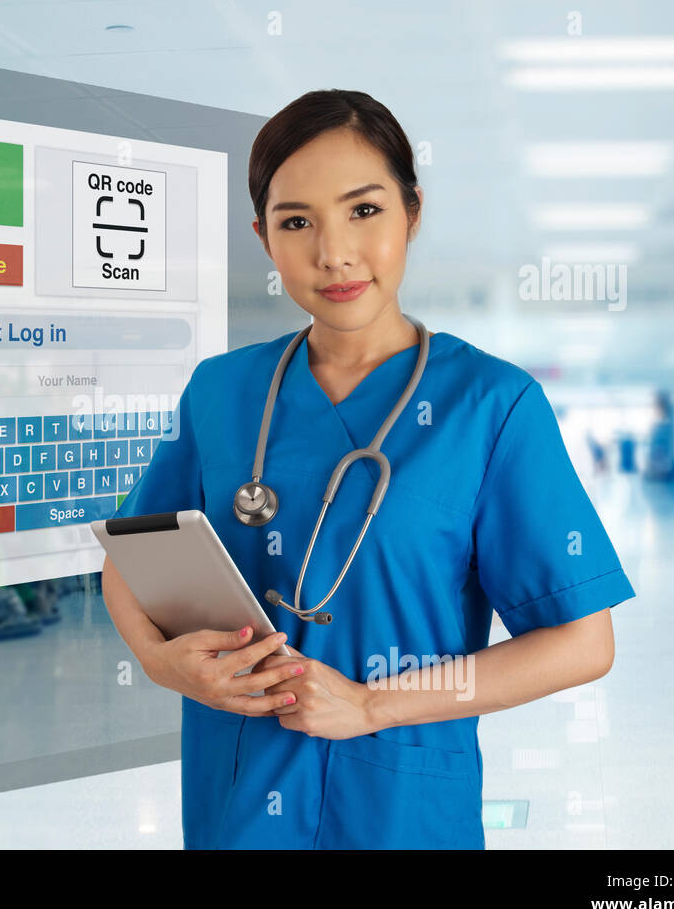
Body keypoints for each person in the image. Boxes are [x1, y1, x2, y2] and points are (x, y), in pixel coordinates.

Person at [100, 89, 636, 850]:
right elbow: (131, 560)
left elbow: (583, 642)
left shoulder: (491, 405)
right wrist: (163, 664)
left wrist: (371, 706)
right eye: (296, 223)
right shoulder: (220, 393)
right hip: (238, 799)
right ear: (264, 238)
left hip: (399, 808)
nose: (334, 253)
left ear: (412, 213)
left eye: (364, 210)